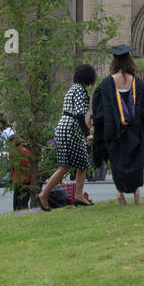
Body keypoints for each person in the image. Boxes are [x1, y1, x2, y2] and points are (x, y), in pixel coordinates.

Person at [92, 45, 144, 206]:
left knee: (117, 162)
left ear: (114, 62)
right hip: (134, 131)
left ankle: (120, 193)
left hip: (113, 131)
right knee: (135, 162)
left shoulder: (106, 84)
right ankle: (136, 193)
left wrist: (99, 129)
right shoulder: (138, 83)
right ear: (130, 62)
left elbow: (98, 111)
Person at [38, 63, 97, 210]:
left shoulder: (72, 89)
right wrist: (87, 134)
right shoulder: (80, 91)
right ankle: (45, 195)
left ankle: (76, 195)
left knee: (73, 165)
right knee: (74, 165)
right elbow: (79, 114)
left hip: (64, 128)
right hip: (71, 129)